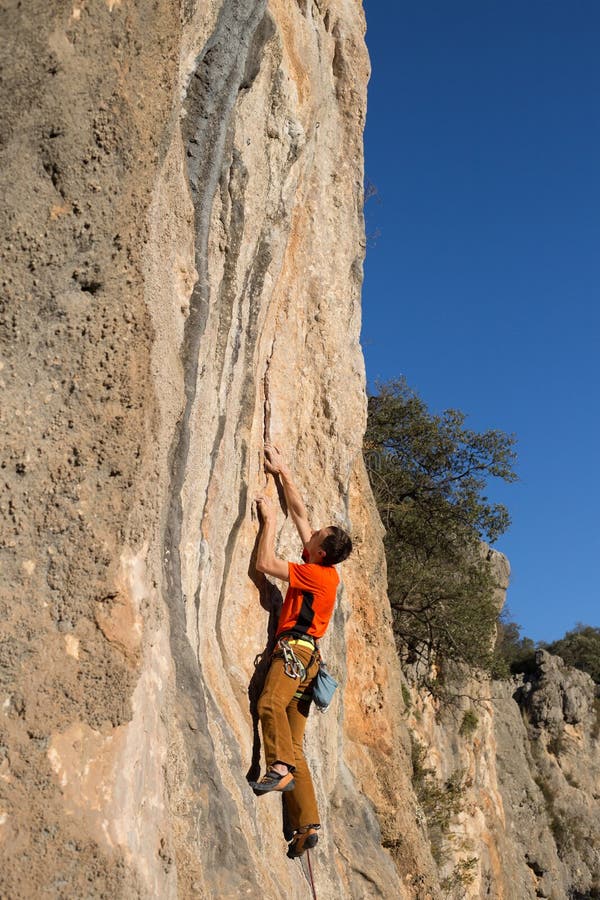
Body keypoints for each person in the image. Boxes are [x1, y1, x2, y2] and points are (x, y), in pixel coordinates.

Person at [250, 442, 353, 859]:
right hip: (309, 664)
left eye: (315, 537)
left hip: (294, 654)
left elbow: (264, 564)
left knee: (268, 705)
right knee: (295, 745)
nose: (308, 535)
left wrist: (268, 522)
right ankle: (306, 824)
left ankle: (277, 769)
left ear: (320, 552)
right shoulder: (324, 569)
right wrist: (283, 473)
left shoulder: (314, 575)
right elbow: (301, 514)